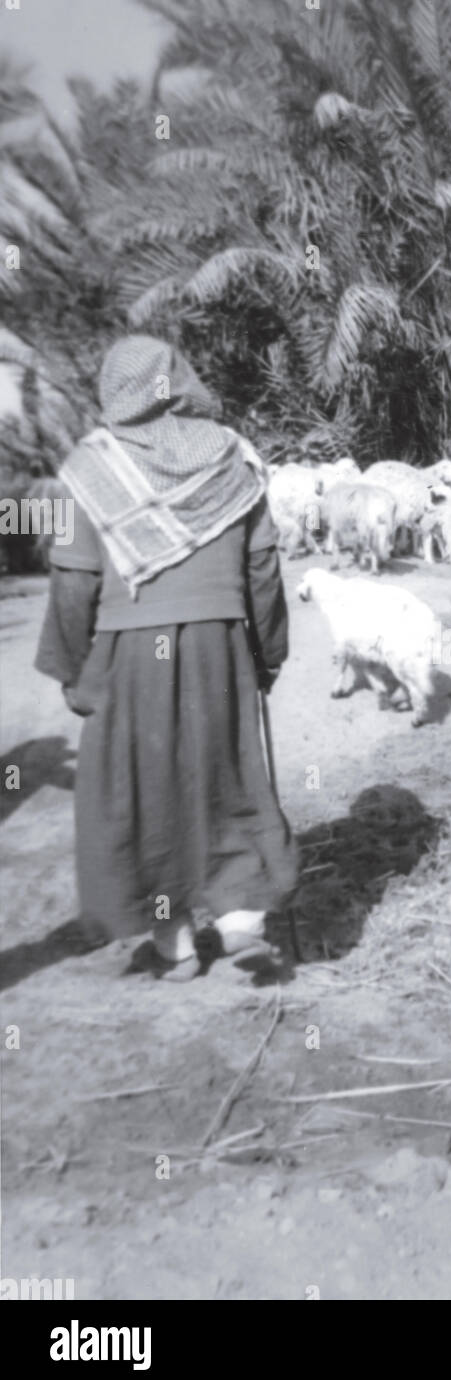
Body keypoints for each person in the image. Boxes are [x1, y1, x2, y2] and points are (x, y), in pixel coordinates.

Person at [35, 335, 298, 980]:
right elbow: (261, 566)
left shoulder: (87, 470)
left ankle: (175, 944)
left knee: (145, 789)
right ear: (176, 379)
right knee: (229, 771)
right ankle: (240, 921)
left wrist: (73, 669)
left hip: (131, 656)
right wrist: (265, 654)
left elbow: (73, 584)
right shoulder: (231, 456)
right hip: (222, 644)